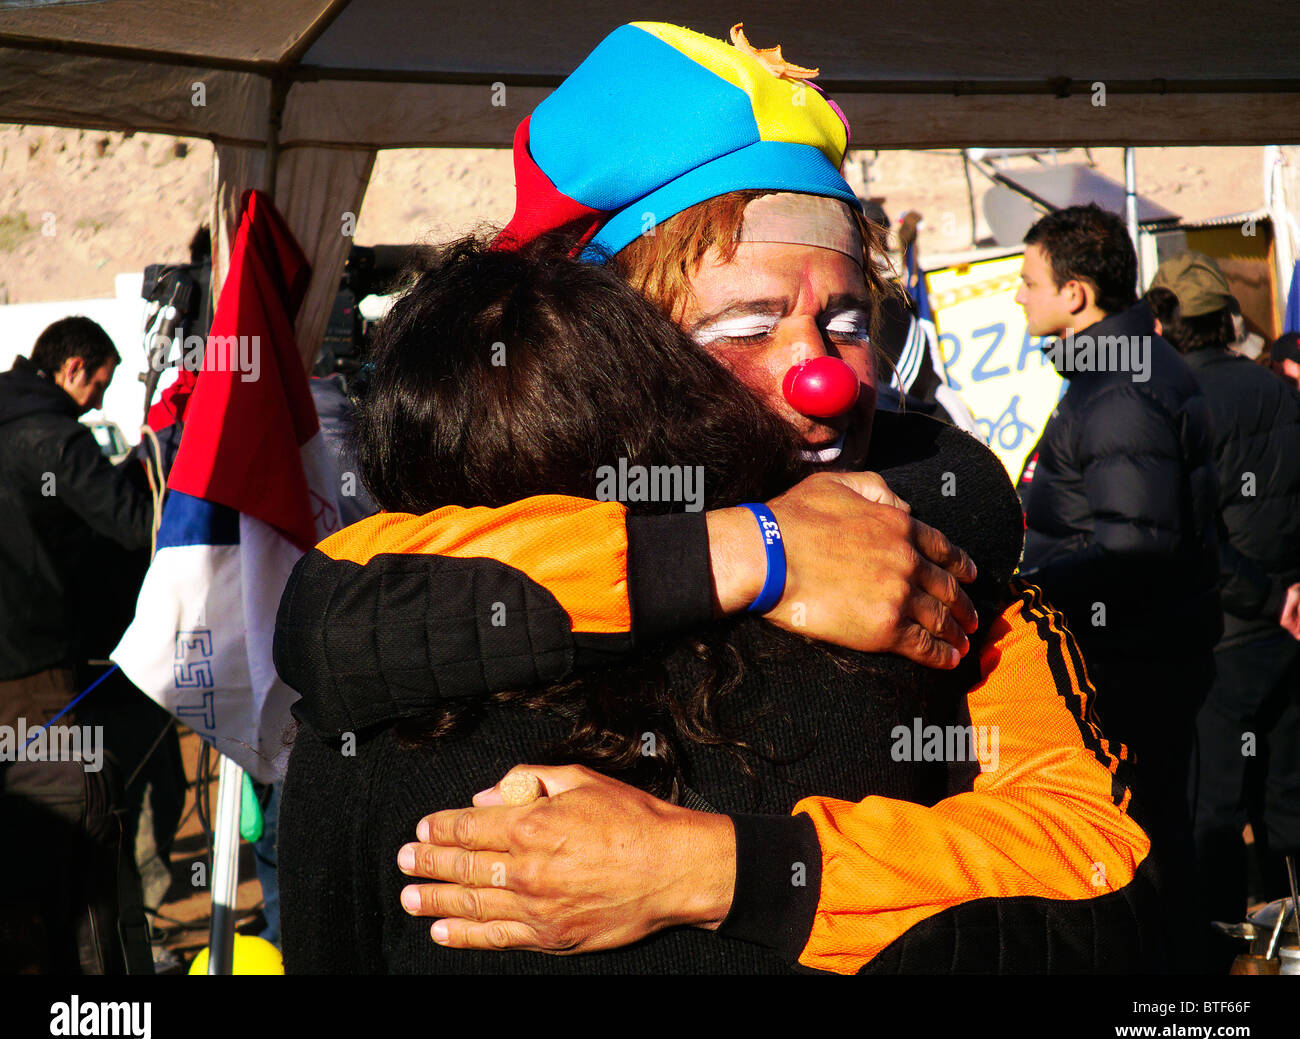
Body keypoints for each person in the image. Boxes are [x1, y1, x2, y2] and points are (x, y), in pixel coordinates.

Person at [275, 23, 1163, 972]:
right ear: (613, 353)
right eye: (745, 324)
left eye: (848, 321)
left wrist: (721, 866)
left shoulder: (952, 583)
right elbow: (334, 610)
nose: (819, 377)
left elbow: (1105, 876)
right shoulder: (420, 612)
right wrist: (755, 550)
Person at [1013, 206, 1221, 968]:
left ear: (1075, 295)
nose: (1017, 296)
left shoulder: (1118, 392)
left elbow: (1133, 546)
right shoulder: (1121, 370)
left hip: (1130, 663)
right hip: (1146, 653)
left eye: (1028, 281)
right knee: (1160, 842)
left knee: (1147, 850)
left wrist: (1026, 589)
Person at [1144, 255, 1300, 924]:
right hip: (1287, 631)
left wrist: (1269, 596)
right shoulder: (1278, 390)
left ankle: (1218, 963)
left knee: (1214, 809)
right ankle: (1289, 935)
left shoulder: (1174, 400)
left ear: (1163, 322)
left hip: (1227, 636)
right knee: (1287, 798)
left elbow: (1193, 538)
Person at [0, 316, 157, 973]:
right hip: (42, 684)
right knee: (83, 860)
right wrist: (144, 471)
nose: (97, 398)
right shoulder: (54, 438)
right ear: (71, 368)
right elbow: (130, 525)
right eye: (99, 381)